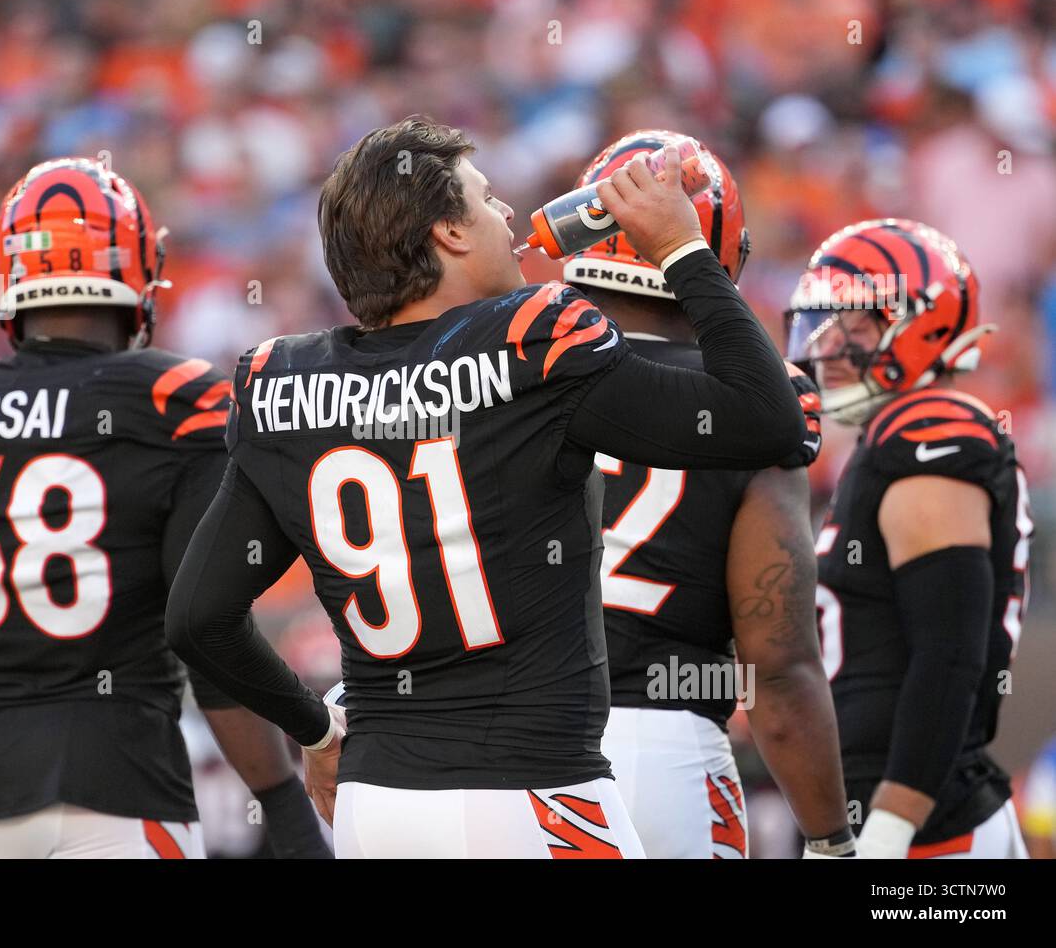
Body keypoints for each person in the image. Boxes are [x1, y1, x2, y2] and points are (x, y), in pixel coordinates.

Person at [166, 116, 804, 858]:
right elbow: (767, 421)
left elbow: (198, 618)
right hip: (536, 795)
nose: (508, 215)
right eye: (485, 198)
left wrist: (315, 729)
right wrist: (683, 251)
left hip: (378, 811)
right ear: (450, 235)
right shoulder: (535, 341)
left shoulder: (284, 381)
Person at [0, 158, 329, 859]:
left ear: (10, 274)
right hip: (120, 787)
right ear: (138, 268)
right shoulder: (172, 399)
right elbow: (205, 631)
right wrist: (283, 803)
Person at [563, 130, 852, 859]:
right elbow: (778, 666)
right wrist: (829, 839)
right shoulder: (762, 407)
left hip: (508, 743)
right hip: (663, 742)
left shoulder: (511, 372)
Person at [785, 218, 1032, 858]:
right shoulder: (890, 435)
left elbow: (950, 655)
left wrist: (893, 823)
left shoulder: (930, 431)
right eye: (823, 323)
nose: (828, 347)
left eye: (856, 326)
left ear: (925, 323)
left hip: (927, 825)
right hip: (899, 809)